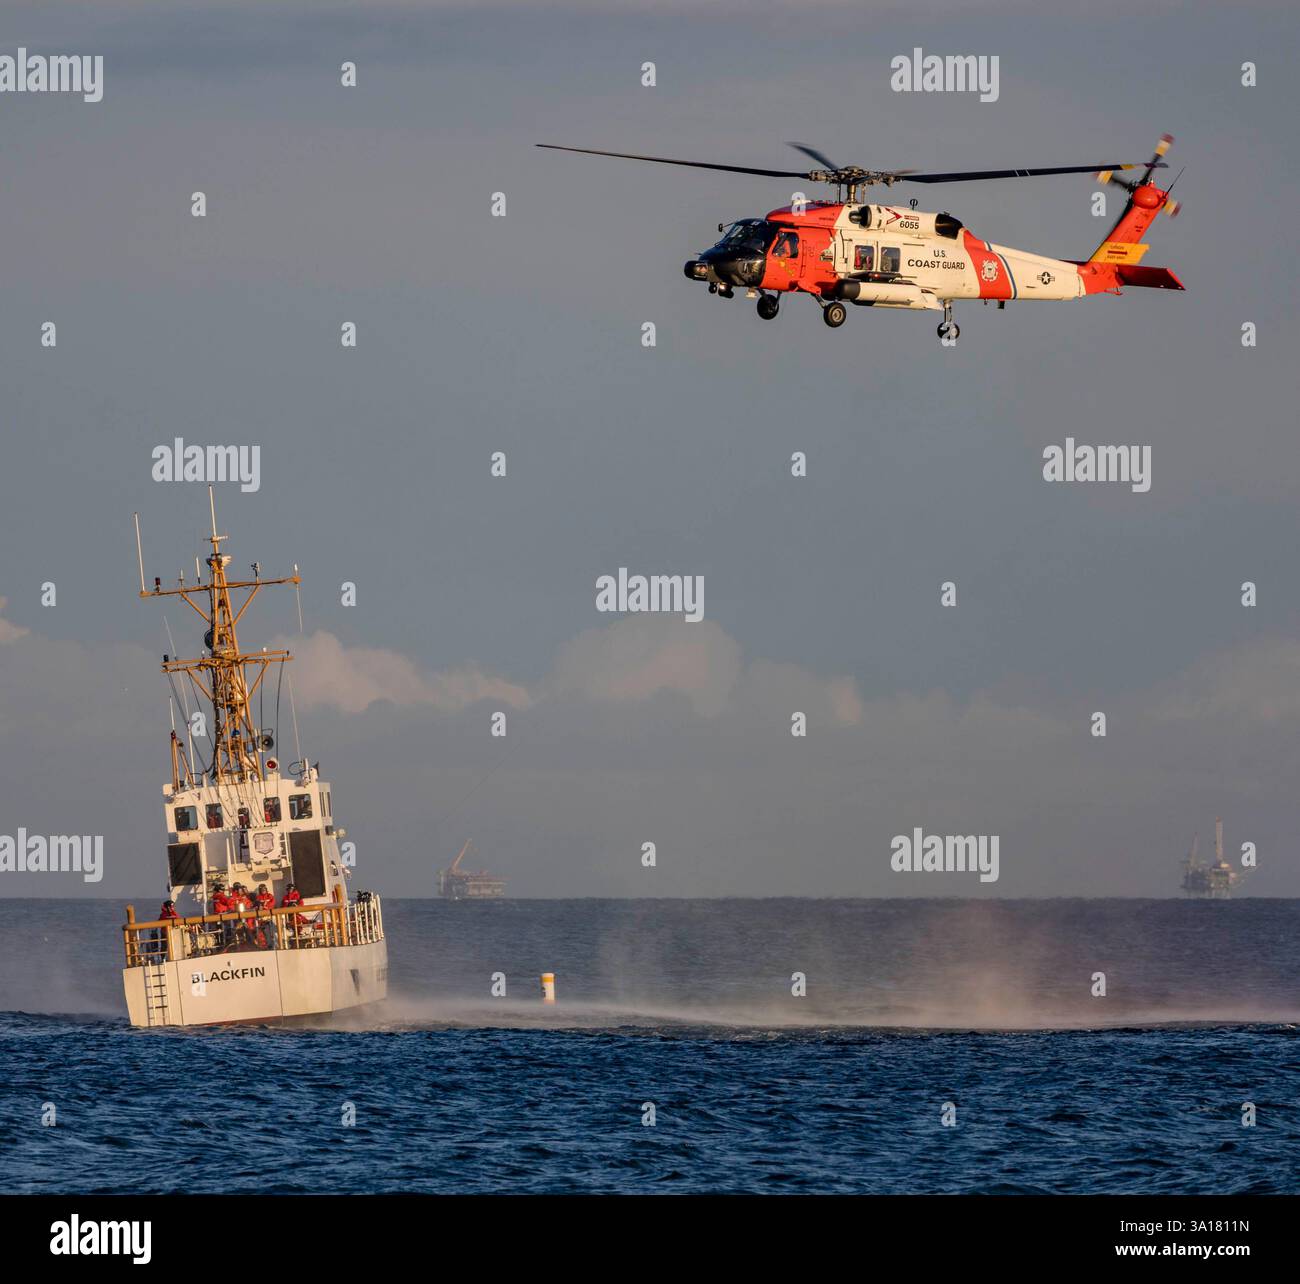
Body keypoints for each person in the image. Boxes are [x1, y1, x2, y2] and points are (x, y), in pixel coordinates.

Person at [254, 883, 277, 950]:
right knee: (265, 932)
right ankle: (269, 945)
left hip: (270, 916)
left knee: (273, 931)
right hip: (262, 918)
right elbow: (256, 905)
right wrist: (259, 907)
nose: (263, 890)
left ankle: (275, 944)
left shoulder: (270, 896)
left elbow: (272, 904)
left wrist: (265, 907)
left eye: (264, 889)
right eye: (262, 889)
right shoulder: (258, 897)